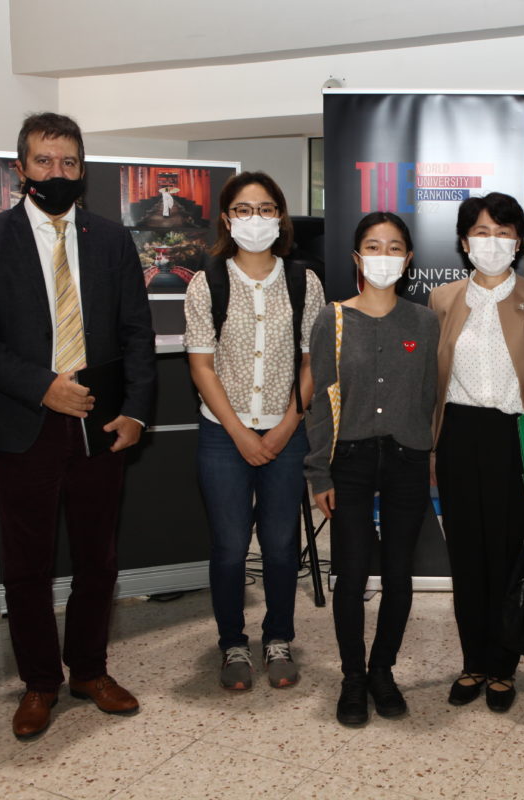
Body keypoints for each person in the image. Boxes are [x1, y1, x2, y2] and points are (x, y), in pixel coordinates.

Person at [0, 112, 156, 739]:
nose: (56, 173)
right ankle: (40, 682)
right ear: (21, 169)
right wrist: (44, 387)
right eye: (44, 161)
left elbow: (136, 334)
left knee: (99, 558)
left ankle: (89, 671)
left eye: (68, 163)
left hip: (101, 425)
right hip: (24, 424)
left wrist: (138, 410)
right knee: (27, 564)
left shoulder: (112, 240)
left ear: (82, 169)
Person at [183, 171, 325, 691]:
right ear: (227, 219)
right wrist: (241, 433)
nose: (255, 219)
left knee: (283, 546)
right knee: (228, 547)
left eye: (266, 209)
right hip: (224, 435)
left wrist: (288, 426)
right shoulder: (207, 282)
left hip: (287, 434)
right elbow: (202, 366)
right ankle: (233, 645)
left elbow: (313, 362)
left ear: (281, 217)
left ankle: (279, 637)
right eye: (243, 210)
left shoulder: (303, 281)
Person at [428, 192, 524, 713]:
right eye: (482, 232)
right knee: (467, 558)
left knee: (510, 557)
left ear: (519, 241)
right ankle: (474, 662)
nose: (493, 242)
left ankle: (504, 667)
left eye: (504, 232)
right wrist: (430, 452)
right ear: (465, 243)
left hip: (517, 439)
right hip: (459, 436)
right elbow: (433, 385)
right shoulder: (443, 300)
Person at [304, 212, 438, 727]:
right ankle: (353, 676)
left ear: (407, 259)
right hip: (351, 462)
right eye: (373, 246)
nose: (384, 255)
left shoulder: (424, 322)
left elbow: (428, 396)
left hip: (406, 459)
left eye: (394, 246)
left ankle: (384, 669)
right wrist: (320, 474)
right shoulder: (332, 319)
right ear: (358, 258)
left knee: (400, 575)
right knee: (352, 573)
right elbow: (320, 403)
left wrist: (430, 458)